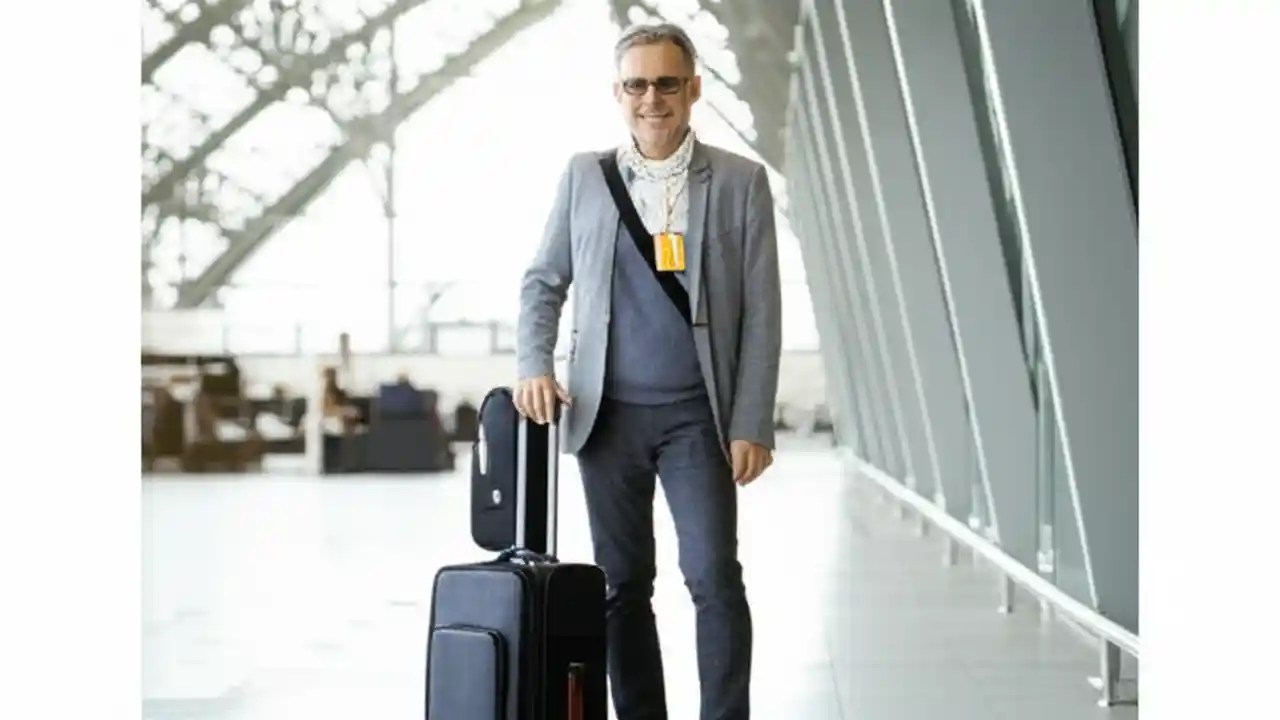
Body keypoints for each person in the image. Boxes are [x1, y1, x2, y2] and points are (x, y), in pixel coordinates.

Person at [514, 21, 781, 720]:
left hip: (700, 417)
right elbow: (543, 281)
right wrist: (533, 364)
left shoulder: (739, 181)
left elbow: (762, 312)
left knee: (714, 576)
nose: (651, 98)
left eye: (666, 83)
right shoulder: (585, 177)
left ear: (693, 88)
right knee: (622, 584)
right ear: (618, 92)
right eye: (636, 84)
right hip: (607, 418)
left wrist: (752, 420)